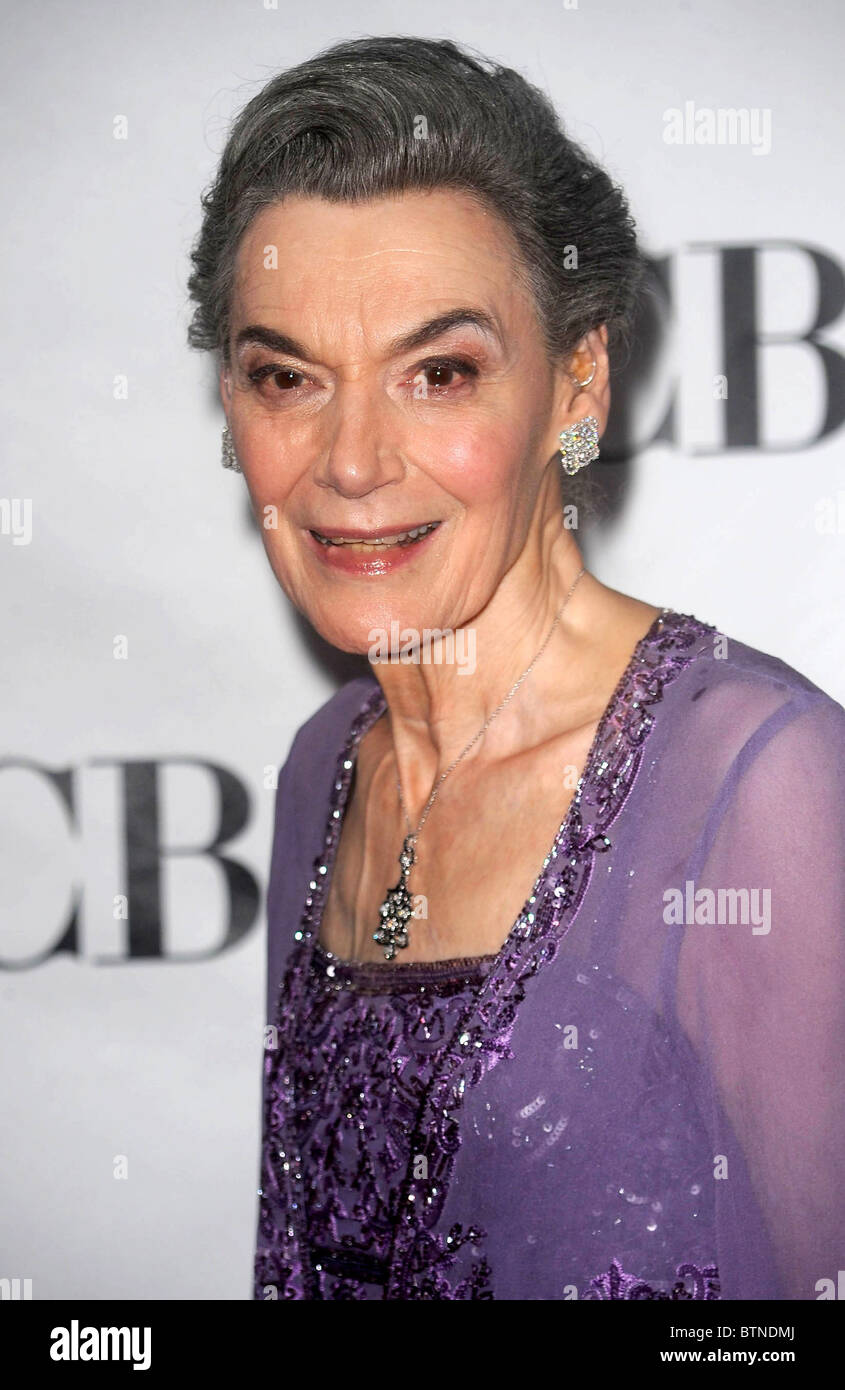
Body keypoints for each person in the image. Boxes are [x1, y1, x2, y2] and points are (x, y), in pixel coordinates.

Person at [186, 35, 845, 1300]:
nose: (353, 460)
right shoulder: (324, 768)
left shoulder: (760, 785)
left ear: (575, 383)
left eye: (438, 373)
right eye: (288, 377)